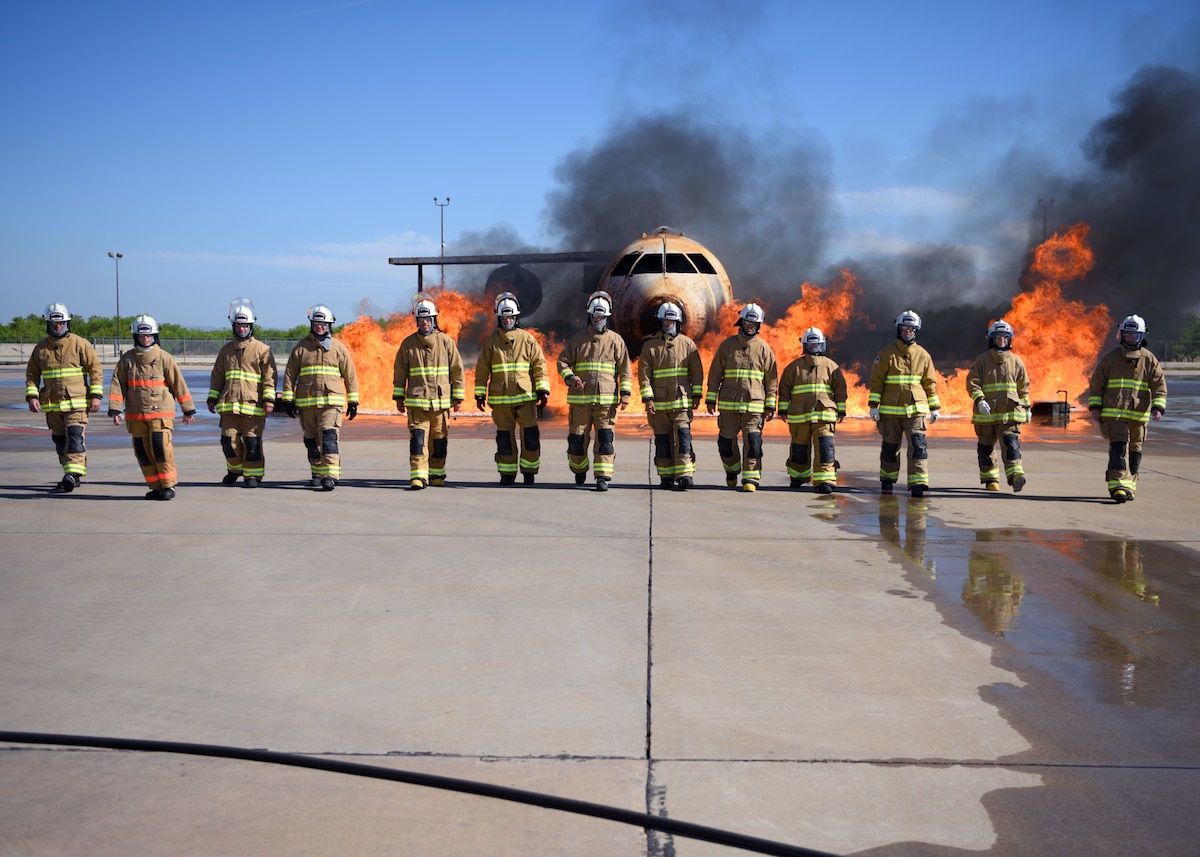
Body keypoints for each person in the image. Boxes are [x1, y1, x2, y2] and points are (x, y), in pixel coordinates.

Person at [108, 315, 197, 500]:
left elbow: (178, 384)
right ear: (136, 336)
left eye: (149, 335)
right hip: (136, 414)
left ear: (154, 336)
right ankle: (155, 487)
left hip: (160, 413)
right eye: (142, 336)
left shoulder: (164, 358)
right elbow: (118, 385)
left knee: (160, 449)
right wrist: (115, 409)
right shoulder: (127, 360)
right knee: (142, 452)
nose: (146, 339)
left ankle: (168, 486)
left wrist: (187, 409)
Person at [24, 303, 105, 493]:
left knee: (75, 438)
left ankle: (72, 475)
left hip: (77, 404)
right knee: (61, 442)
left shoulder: (80, 344)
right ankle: (73, 474)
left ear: (67, 322)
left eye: (61, 322)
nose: (58, 325)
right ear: (49, 323)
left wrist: (96, 396)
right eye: (55, 322)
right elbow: (32, 376)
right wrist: (32, 397)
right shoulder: (41, 349)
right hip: (52, 406)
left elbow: (95, 371)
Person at [1087, 314, 1167, 503]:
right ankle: (1118, 486)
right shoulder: (1110, 359)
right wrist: (1095, 407)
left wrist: (1158, 407)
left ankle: (1130, 485)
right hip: (1114, 416)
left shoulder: (1149, 359)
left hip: (1138, 416)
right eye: (1128, 334)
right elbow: (1097, 384)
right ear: (1121, 335)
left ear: (1141, 336)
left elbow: (1159, 385)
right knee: (1118, 449)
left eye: (1134, 335)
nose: (1130, 338)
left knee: (1135, 450)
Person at [558, 291, 633, 491]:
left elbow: (625, 370)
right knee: (576, 441)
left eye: (602, 316)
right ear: (590, 316)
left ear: (607, 317)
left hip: (606, 403)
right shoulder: (578, 340)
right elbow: (563, 362)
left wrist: (625, 395)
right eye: (595, 316)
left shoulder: (616, 341)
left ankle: (602, 477)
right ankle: (579, 469)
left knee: (605, 440)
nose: (598, 319)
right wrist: (571, 378)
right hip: (580, 402)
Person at [474, 292, 551, 485]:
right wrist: (479, 392)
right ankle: (507, 474)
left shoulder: (528, 340)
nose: (507, 319)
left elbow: (539, 366)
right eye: (504, 317)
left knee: (530, 437)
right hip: (501, 402)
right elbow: (482, 369)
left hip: (525, 399)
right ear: (499, 318)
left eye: (510, 316)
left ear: (516, 317)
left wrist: (542, 390)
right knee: (504, 439)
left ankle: (529, 471)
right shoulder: (491, 342)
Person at [280, 305, 359, 491]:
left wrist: (353, 400)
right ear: (312, 324)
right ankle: (317, 473)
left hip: (331, 403)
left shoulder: (339, 348)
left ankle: (330, 475)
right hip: (307, 404)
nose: (320, 326)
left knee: (329, 437)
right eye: (316, 323)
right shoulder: (301, 348)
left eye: (323, 323)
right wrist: (288, 399)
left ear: (329, 325)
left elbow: (350, 375)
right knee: (311, 441)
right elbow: (290, 374)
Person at [705, 303, 779, 492]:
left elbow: (771, 380)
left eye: (754, 324)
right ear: (742, 322)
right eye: (747, 322)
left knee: (753, 443)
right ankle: (732, 471)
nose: (750, 326)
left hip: (754, 406)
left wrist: (770, 405)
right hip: (729, 406)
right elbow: (715, 374)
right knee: (725, 443)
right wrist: (710, 398)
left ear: (759, 326)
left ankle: (751, 478)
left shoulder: (763, 349)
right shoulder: (727, 346)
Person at [393, 298, 465, 489]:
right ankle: (418, 476)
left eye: (428, 319)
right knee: (418, 441)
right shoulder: (408, 344)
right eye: (421, 319)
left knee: (439, 441)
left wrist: (458, 397)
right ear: (417, 321)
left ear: (434, 320)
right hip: (418, 403)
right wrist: (399, 397)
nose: (425, 323)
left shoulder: (446, 342)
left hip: (441, 404)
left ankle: (437, 474)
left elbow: (457, 370)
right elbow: (400, 372)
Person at [867, 310, 940, 497]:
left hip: (916, 411)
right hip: (890, 412)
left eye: (912, 328)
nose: (908, 331)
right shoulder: (886, 354)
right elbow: (877, 381)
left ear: (916, 330)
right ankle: (888, 480)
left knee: (918, 444)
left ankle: (918, 483)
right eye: (905, 327)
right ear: (899, 329)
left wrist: (934, 408)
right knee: (890, 447)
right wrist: (874, 406)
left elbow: (929, 383)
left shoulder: (924, 355)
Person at [206, 298, 277, 488]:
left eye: (245, 325)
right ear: (233, 326)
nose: (242, 328)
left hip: (253, 408)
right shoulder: (226, 351)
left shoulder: (262, 350)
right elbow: (217, 377)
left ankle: (252, 476)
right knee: (228, 442)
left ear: (251, 325)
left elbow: (269, 378)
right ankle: (235, 470)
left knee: (252, 444)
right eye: (239, 325)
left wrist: (269, 400)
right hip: (229, 407)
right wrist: (212, 397)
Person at [638, 302, 704, 490]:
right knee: (663, 440)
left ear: (678, 322)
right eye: (666, 319)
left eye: (672, 320)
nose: (669, 323)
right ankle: (666, 476)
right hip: (658, 405)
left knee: (683, 438)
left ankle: (685, 474)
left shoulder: (687, 345)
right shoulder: (650, 346)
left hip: (681, 402)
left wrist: (697, 395)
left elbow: (696, 372)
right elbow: (644, 375)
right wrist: (648, 399)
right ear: (660, 321)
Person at [777, 326, 847, 494]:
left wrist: (842, 410)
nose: (813, 347)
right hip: (799, 416)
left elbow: (840, 390)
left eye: (816, 345)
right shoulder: (793, 368)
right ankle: (799, 477)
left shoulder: (831, 367)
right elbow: (784, 390)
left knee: (825, 448)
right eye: (810, 345)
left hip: (825, 417)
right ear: (804, 345)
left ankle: (825, 480)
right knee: (799, 449)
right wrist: (783, 410)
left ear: (821, 345)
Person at [966, 319, 1031, 493]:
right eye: (998, 337)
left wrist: (1027, 408)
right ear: (991, 339)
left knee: (1011, 444)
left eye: (1004, 336)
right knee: (986, 449)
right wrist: (979, 400)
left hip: (1010, 414)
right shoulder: (982, 361)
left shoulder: (1016, 362)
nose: (1001, 340)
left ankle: (1016, 475)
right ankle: (991, 480)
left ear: (1009, 339)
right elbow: (972, 382)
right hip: (986, 415)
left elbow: (1023, 387)